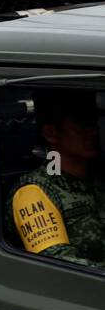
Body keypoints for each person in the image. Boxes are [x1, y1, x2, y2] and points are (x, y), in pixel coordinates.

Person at [7, 89, 105, 270]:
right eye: (81, 124)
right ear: (51, 133)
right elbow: (58, 264)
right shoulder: (34, 191)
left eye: (93, 122)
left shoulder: (97, 180)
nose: (92, 131)